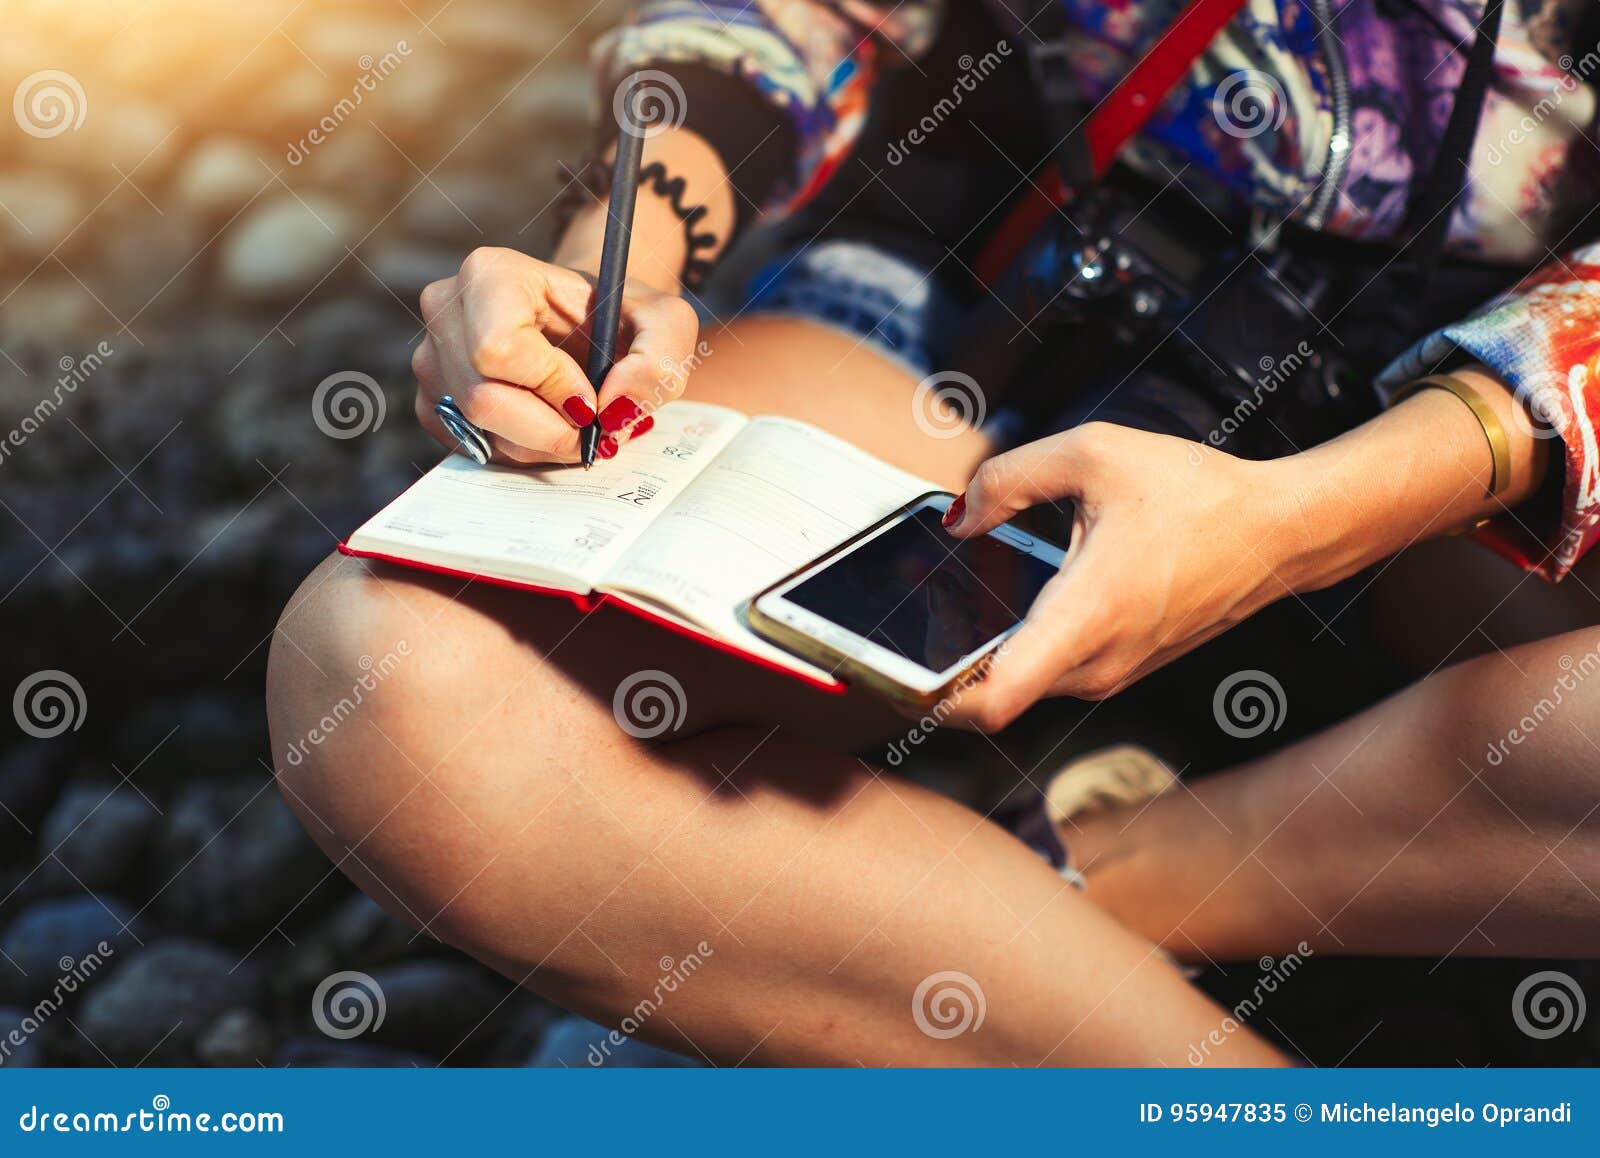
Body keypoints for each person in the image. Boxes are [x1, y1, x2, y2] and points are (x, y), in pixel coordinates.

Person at [267, 0, 1600, 1065]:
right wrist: (622, 252)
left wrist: (1295, 522)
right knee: (393, 678)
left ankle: (1092, 878)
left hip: (1454, 447)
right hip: (997, 316)